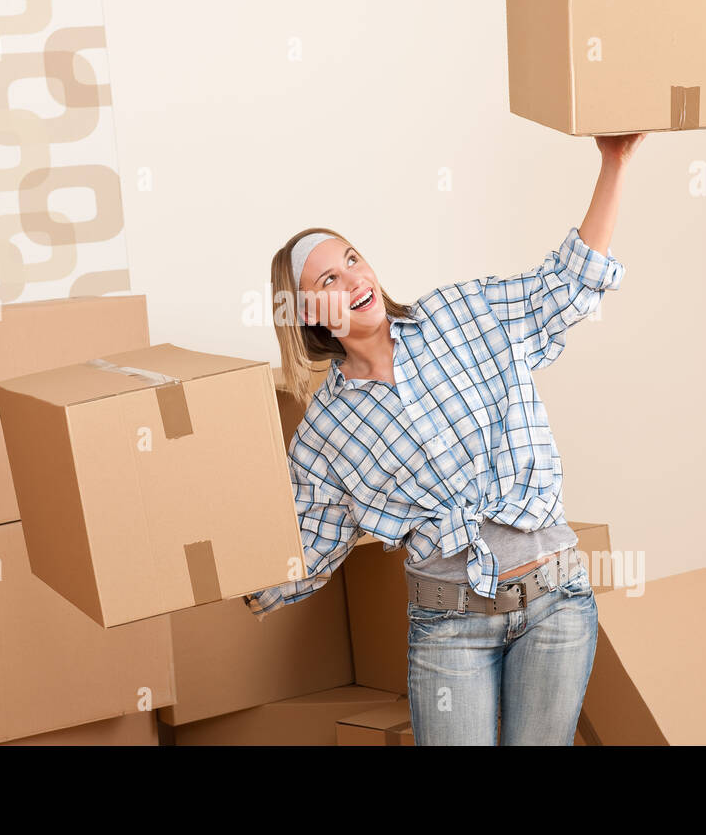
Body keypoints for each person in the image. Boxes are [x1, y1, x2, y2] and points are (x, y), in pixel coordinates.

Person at [244, 132, 647, 745]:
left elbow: (568, 282)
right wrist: (192, 574)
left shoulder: (464, 314)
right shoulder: (323, 432)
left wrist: (613, 163)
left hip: (554, 601)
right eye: (327, 277)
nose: (353, 277)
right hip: (448, 626)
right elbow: (302, 554)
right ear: (305, 313)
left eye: (353, 258)